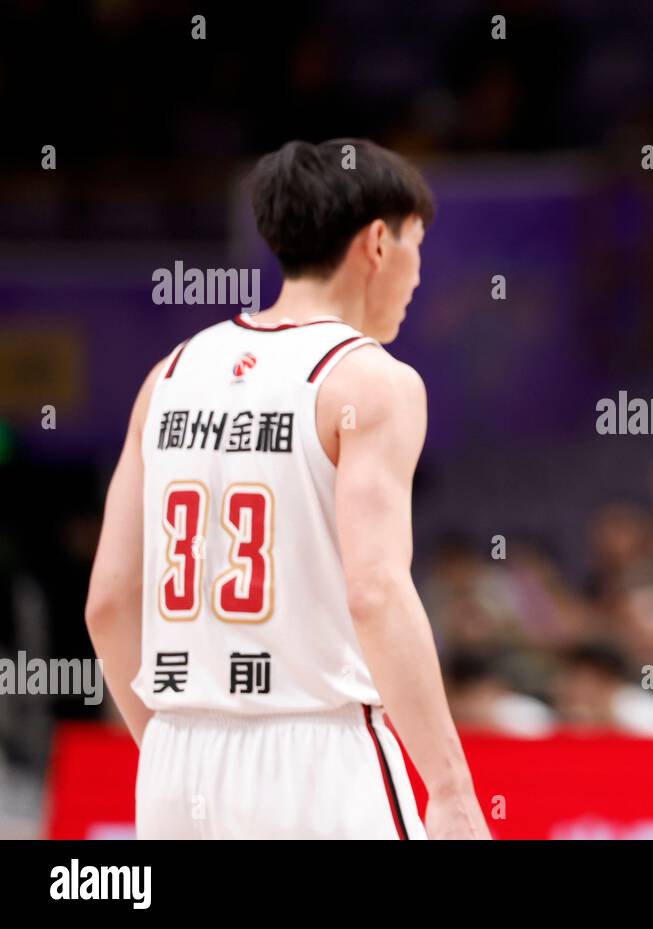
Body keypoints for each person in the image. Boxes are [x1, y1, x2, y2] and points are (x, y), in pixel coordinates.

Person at [84, 139, 489, 839]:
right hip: (319, 755)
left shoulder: (169, 375)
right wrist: (450, 785)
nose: (420, 273)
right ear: (378, 243)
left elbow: (109, 603)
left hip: (178, 761)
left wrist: (170, 745)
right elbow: (375, 591)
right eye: (417, 244)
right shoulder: (372, 380)